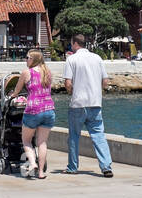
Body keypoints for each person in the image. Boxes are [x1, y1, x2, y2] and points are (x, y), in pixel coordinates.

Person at [62, 33, 114, 177]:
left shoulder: (71, 59)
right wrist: (96, 91)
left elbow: (67, 83)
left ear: (74, 44)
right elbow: (105, 81)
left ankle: (73, 167)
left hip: (77, 104)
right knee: (98, 135)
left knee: (74, 136)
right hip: (95, 103)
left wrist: (72, 92)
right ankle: (106, 167)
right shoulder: (97, 58)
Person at [9, 48, 54, 179]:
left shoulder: (26, 72)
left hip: (33, 110)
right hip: (49, 109)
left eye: (28, 57)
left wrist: (12, 96)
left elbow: (17, 91)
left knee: (27, 141)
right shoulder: (48, 72)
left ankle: (33, 164)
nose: (25, 60)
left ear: (33, 60)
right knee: (42, 143)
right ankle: (41, 172)